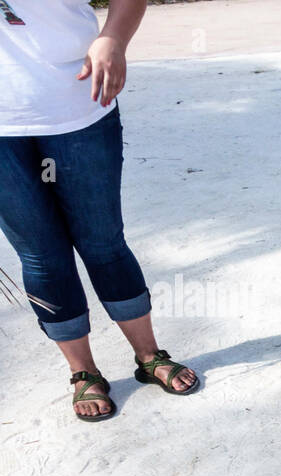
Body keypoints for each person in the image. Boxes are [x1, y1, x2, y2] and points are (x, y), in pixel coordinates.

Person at [0, 0, 198, 422]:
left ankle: (148, 355)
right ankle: (83, 371)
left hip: (79, 104)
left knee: (103, 243)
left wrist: (114, 38)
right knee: (41, 255)